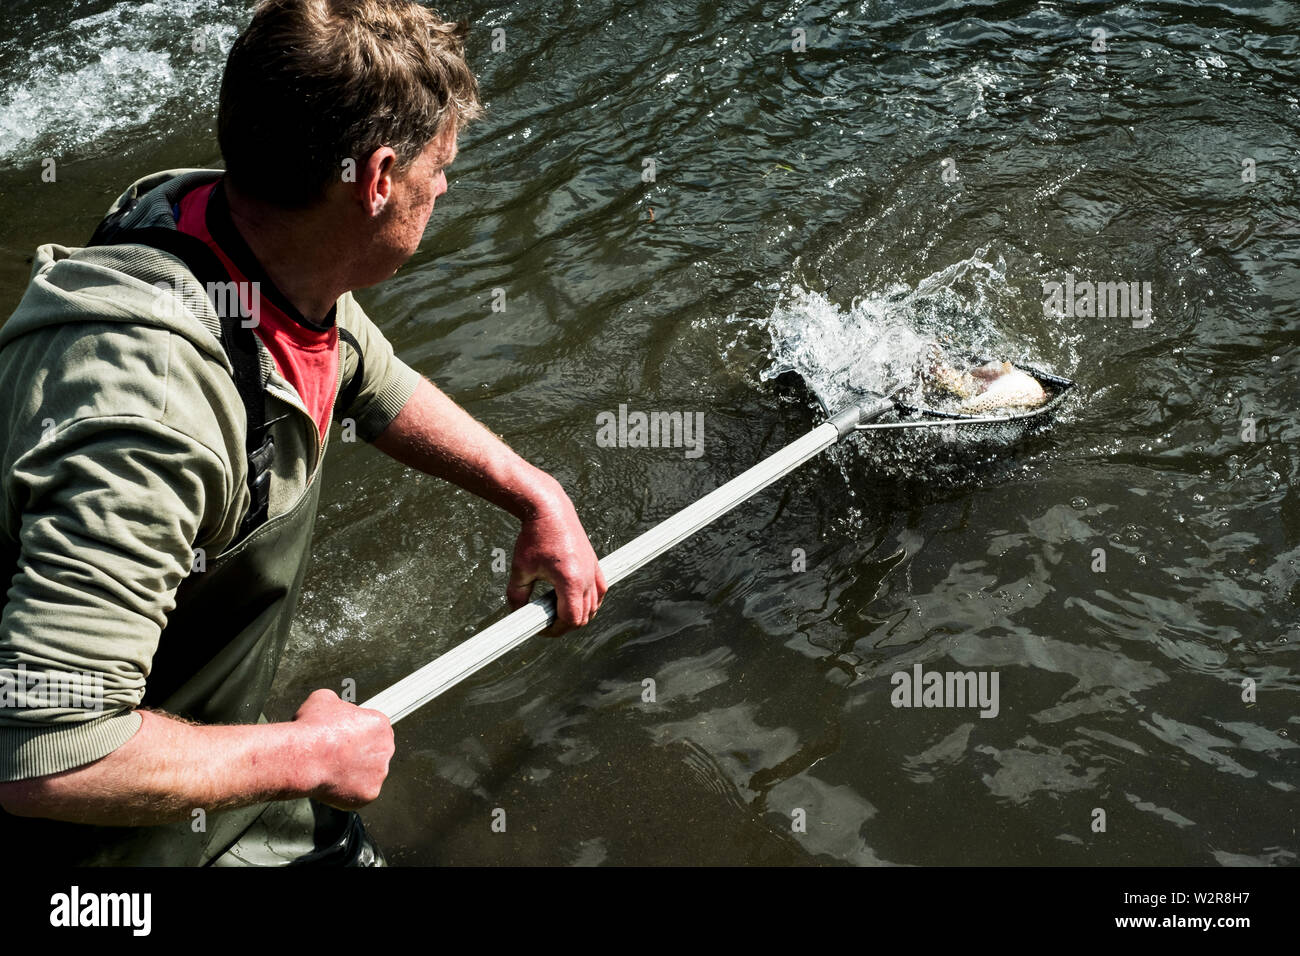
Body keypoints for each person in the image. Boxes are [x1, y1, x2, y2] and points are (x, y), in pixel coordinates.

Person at [0, 0, 606, 865]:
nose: (447, 188)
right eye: (442, 166)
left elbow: (368, 375)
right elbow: (43, 753)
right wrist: (307, 754)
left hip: (217, 799)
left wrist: (534, 495)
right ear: (379, 178)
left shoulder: (245, 239)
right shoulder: (151, 415)